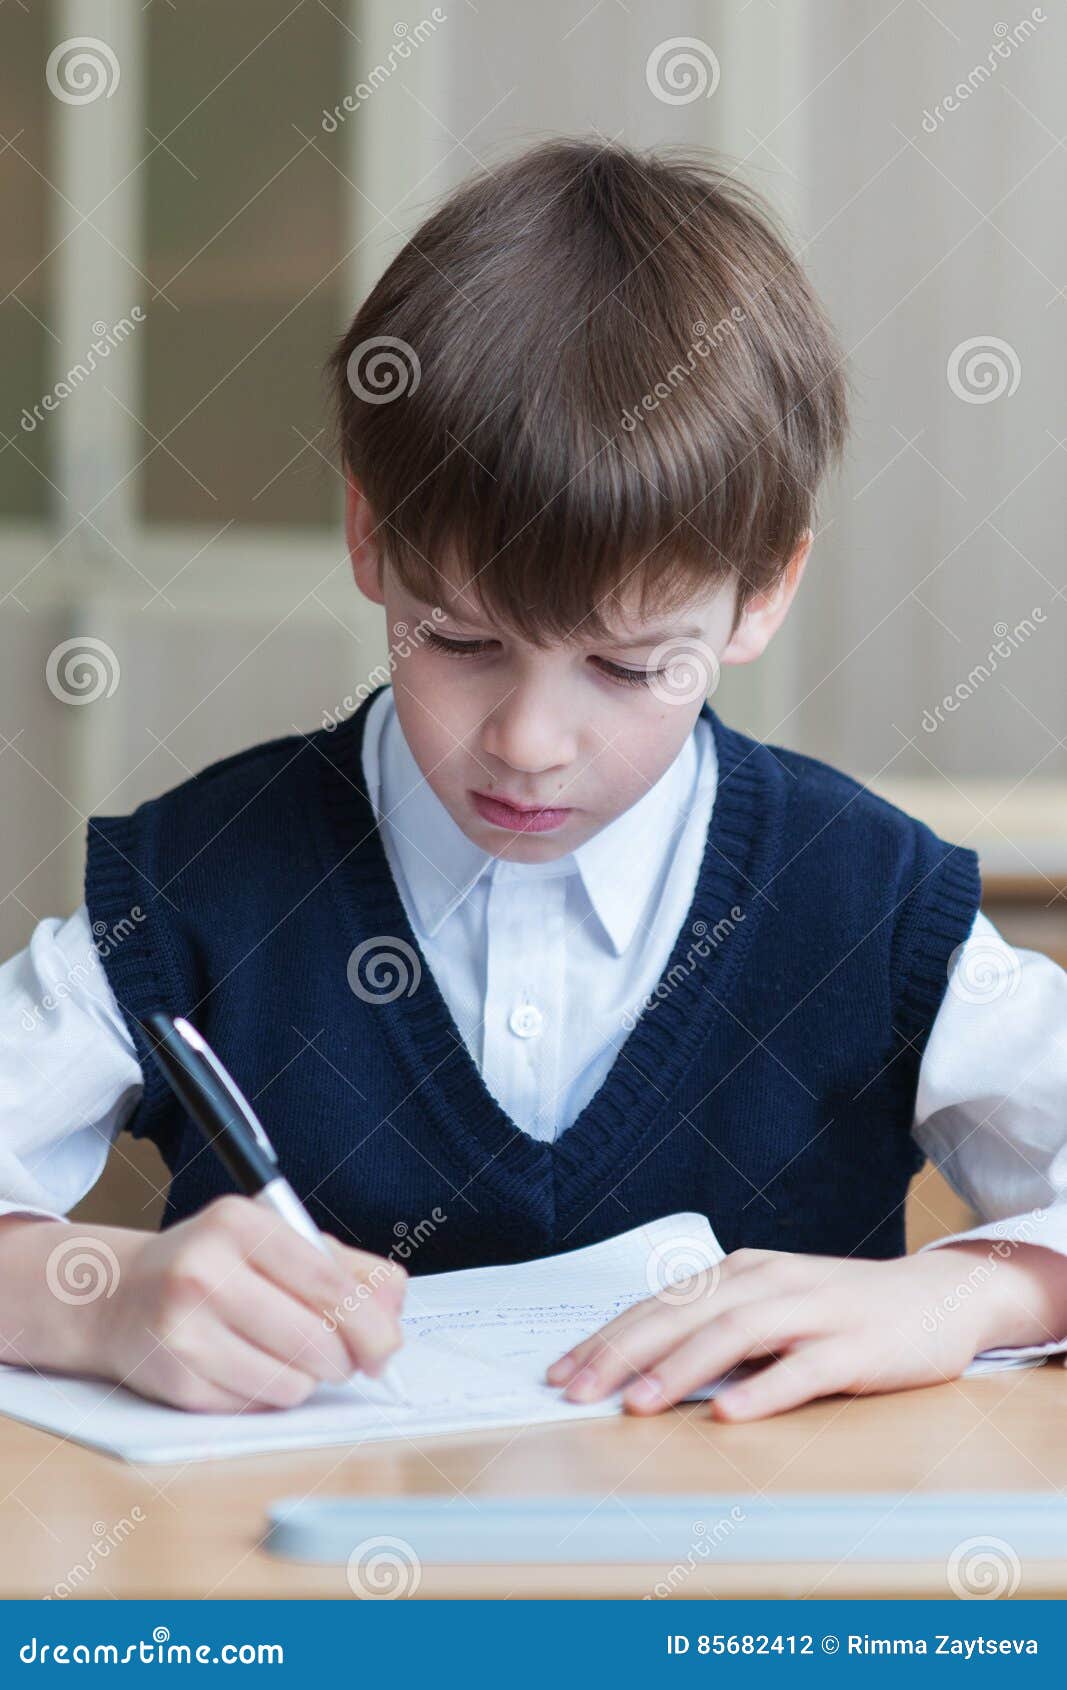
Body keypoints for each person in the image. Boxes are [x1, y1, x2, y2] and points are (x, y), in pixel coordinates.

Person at [2, 140, 1065, 1423]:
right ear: (368, 538)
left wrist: (959, 1298)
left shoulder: (858, 902)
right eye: (459, 641)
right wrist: (91, 1295)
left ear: (762, 591)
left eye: (623, 667)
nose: (526, 741)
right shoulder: (209, 879)